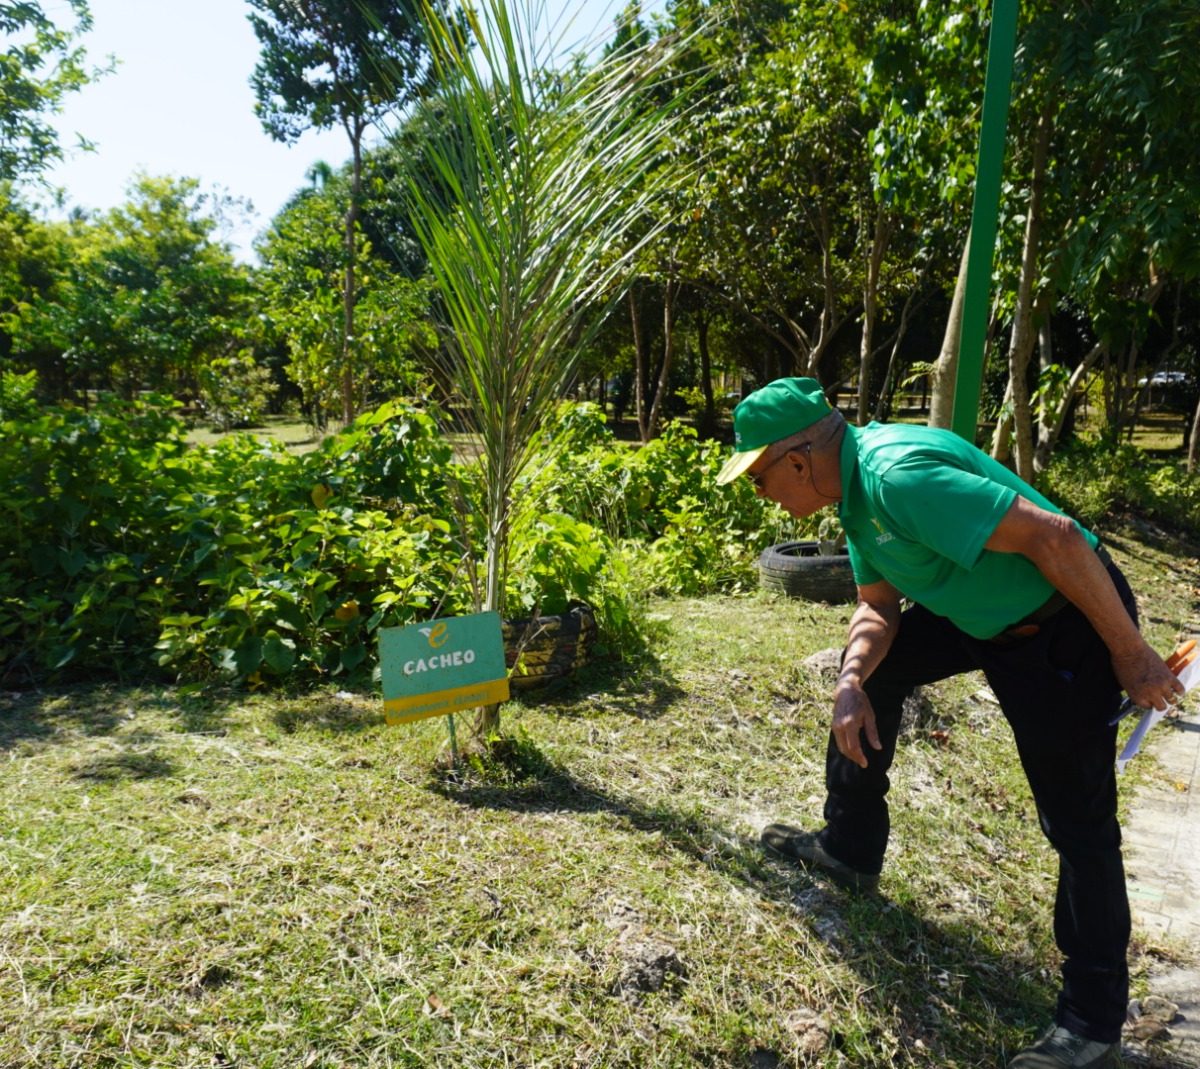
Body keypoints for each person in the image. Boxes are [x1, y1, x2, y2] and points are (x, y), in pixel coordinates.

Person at [716, 377, 1182, 1069]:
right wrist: (850, 681)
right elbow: (879, 609)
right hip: (979, 615)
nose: (760, 495)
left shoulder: (896, 475)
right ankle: (850, 844)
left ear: (795, 459)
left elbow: (1055, 539)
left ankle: (1091, 1021)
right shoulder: (852, 492)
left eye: (757, 479)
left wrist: (1131, 653)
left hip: (1062, 624)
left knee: (1078, 821)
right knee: (877, 669)